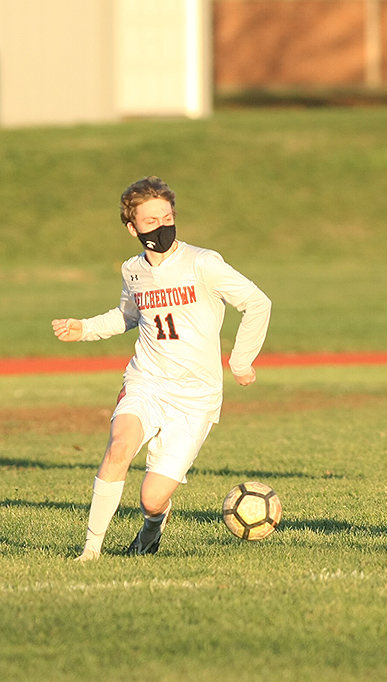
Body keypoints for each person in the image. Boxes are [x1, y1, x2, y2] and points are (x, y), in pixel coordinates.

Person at [52, 176, 272, 561]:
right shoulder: (132, 270)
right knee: (119, 448)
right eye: (151, 221)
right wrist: (84, 328)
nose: (162, 227)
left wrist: (241, 360)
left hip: (196, 397)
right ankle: (90, 551)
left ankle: (152, 526)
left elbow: (257, 302)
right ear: (132, 227)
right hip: (147, 381)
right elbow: (128, 315)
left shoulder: (203, 263)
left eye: (167, 218)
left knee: (151, 499)